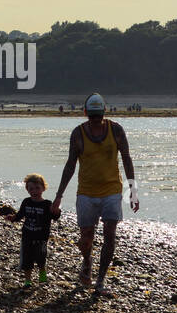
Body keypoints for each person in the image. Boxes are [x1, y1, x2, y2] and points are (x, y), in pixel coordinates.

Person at [51, 93, 139, 299]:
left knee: (109, 234)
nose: (96, 121)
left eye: (98, 116)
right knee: (86, 238)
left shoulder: (116, 130)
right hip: (86, 193)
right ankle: (87, 261)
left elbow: (126, 159)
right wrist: (59, 196)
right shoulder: (78, 134)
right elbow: (70, 165)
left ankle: (100, 281)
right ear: (85, 114)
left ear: (104, 114)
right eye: (92, 117)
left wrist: (132, 191)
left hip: (112, 191)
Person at [3, 173, 60, 287]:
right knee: (27, 259)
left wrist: (56, 210)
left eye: (37, 188)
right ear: (27, 190)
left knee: (41, 258)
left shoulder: (47, 204)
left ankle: (42, 275)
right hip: (27, 235)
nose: (34, 191)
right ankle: (27, 280)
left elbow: (55, 217)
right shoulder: (26, 202)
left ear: (43, 188)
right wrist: (12, 218)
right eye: (31, 189)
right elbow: (20, 215)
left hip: (41, 237)